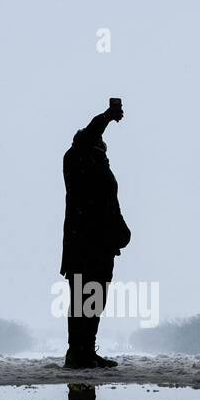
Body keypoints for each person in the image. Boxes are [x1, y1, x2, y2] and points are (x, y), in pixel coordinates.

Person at [61, 99, 131, 369]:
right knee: (84, 297)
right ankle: (78, 353)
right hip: (85, 243)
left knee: (93, 298)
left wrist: (120, 231)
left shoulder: (97, 165)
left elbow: (109, 204)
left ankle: (85, 351)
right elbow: (90, 133)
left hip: (99, 244)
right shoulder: (78, 157)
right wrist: (106, 117)